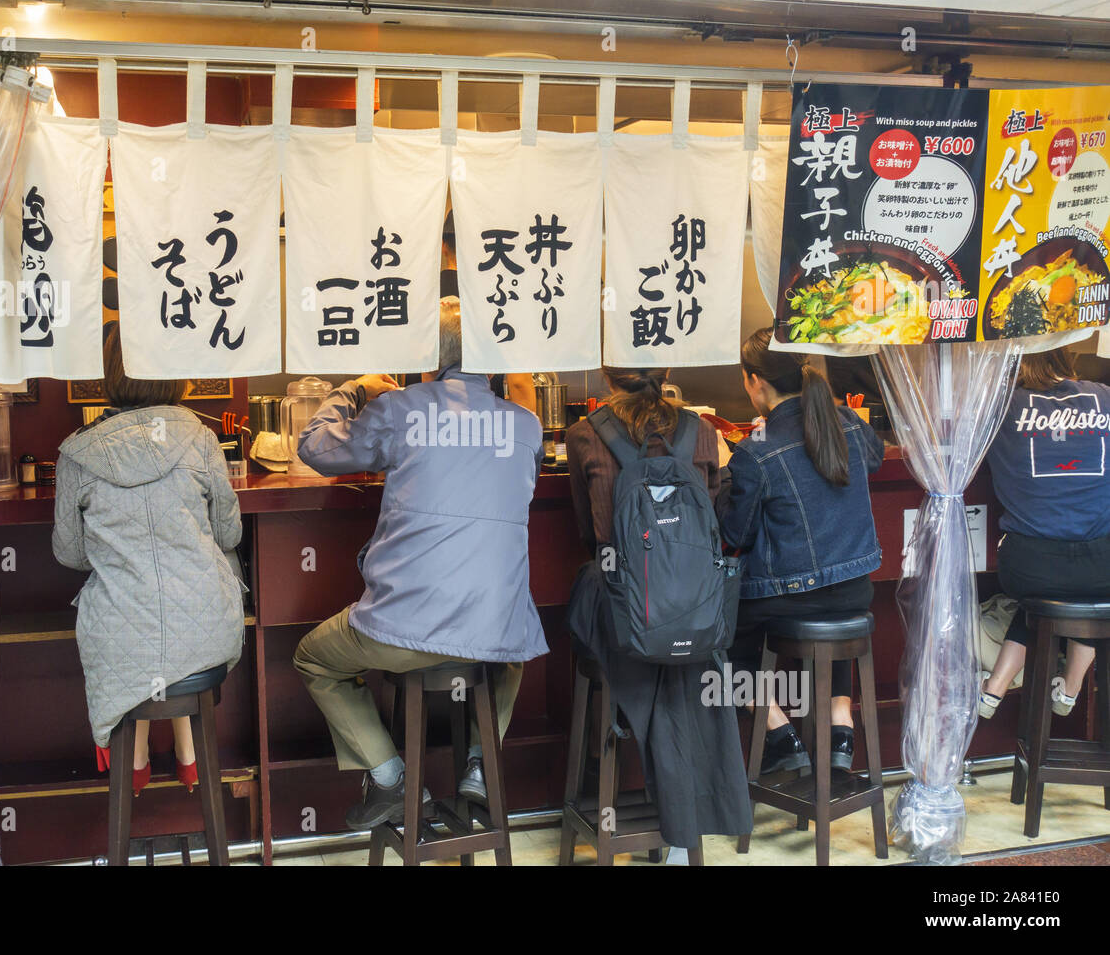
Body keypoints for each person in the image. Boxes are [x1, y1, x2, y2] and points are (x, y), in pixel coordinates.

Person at [291, 300, 547, 830]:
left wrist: (356, 388)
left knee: (314, 658)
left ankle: (391, 780)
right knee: (512, 645)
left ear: (427, 357)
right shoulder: (527, 427)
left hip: (403, 628)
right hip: (492, 624)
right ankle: (478, 767)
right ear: (495, 358)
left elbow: (314, 447)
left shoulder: (403, 408)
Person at [52, 326, 245, 795]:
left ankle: (134, 762)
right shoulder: (199, 438)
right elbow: (228, 533)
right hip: (205, 629)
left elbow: (70, 554)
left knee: (135, 632)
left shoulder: (77, 452)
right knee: (181, 623)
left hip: (121, 635)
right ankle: (189, 753)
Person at [565, 366, 751, 849]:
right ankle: (684, 824)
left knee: (608, 616)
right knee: (684, 660)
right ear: (665, 370)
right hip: (697, 617)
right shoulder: (702, 432)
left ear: (607, 374)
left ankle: (612, 775)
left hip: (625, 619)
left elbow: (590, 536)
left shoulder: (583, 434)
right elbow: (716, 522)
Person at [718, 329, 884, 775]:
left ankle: (778, 731)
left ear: (755, 381)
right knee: (832, 629)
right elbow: (873, 459)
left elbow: (736, 535)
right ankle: (840, 727)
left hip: (789, 595)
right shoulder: (849, 422)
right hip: (855, 592)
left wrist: (723, 471)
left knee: (717, 636)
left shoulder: (756, 451)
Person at [979, 346, 1109, 719]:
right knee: (1089, 588)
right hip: (1103, 566)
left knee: (1045, 592)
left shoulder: (1000, 405)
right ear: (1065, 355)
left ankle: (993, 690)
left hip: (1028, 567)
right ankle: (1069, 688)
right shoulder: (1104, 396)